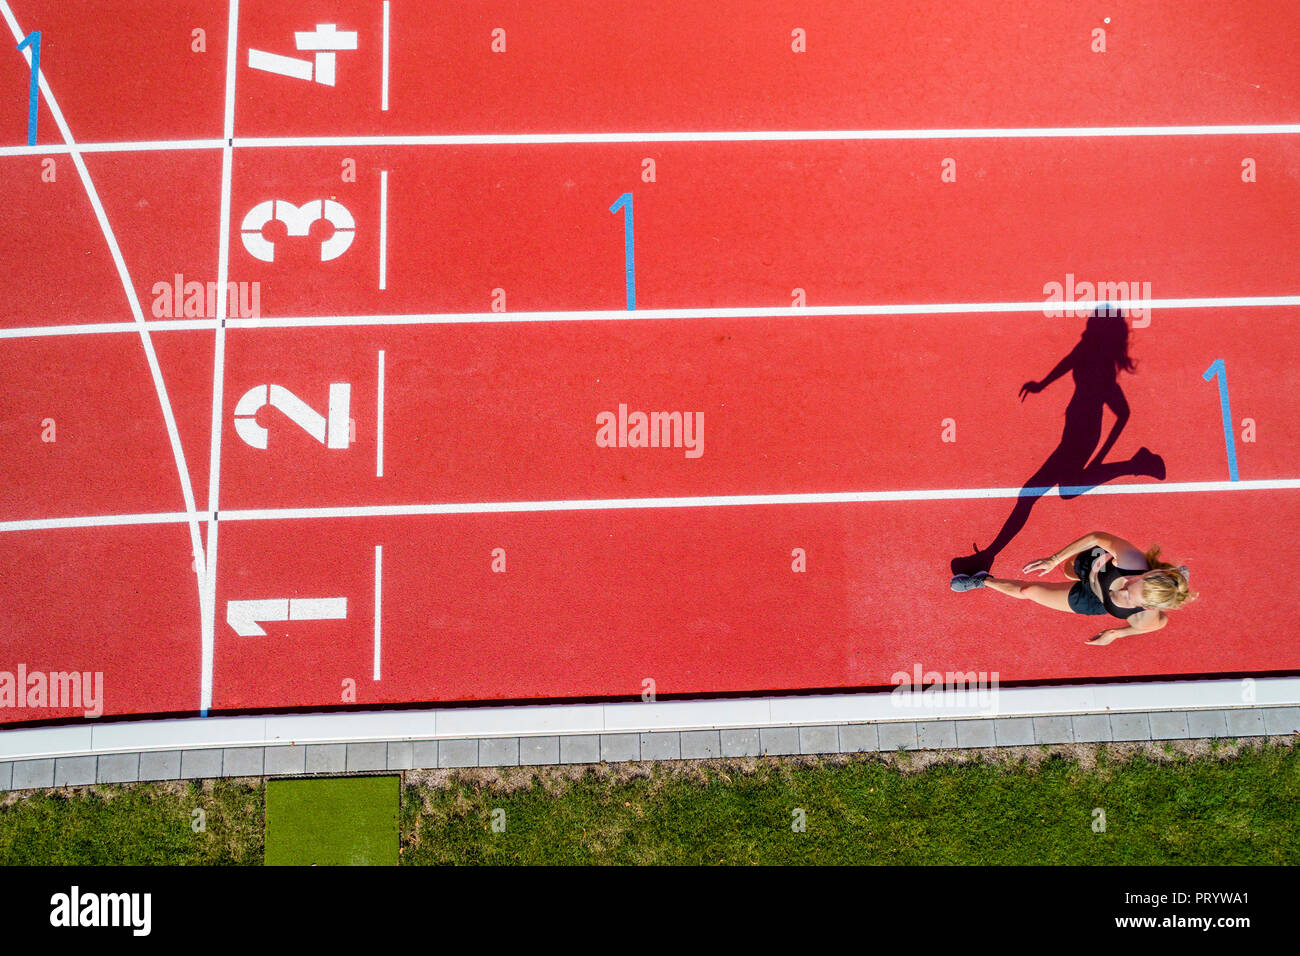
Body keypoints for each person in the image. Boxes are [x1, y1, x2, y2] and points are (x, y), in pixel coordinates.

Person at [950, 530, 1196, 644]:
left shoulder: (1144, 617)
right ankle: (1067, 568)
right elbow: (1097, 537)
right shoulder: (1132, 563)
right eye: (1138, 578)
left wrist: (1116, 634)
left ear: (1143, 605)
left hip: (1093, 600)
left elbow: (1158, 624)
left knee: (1029, 592)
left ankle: (982, 580)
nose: (1131, 580)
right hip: (1093, 563)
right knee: (1067, 570)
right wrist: (1053, 559)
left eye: (1133, 588)